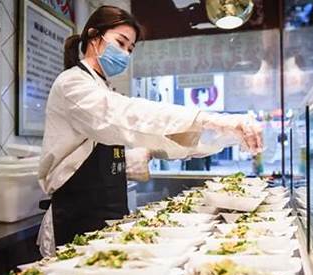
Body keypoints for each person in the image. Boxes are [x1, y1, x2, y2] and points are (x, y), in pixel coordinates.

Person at [37, 6, 263, 254]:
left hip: (106, 217)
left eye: (130, 49)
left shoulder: (102, 88)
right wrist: (210, 119)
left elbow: (162, 137)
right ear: (93, 36)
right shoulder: (72, 83)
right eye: (120, 43)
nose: (124, 53)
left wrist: (229, 134)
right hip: (74, 219)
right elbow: (126, 114)